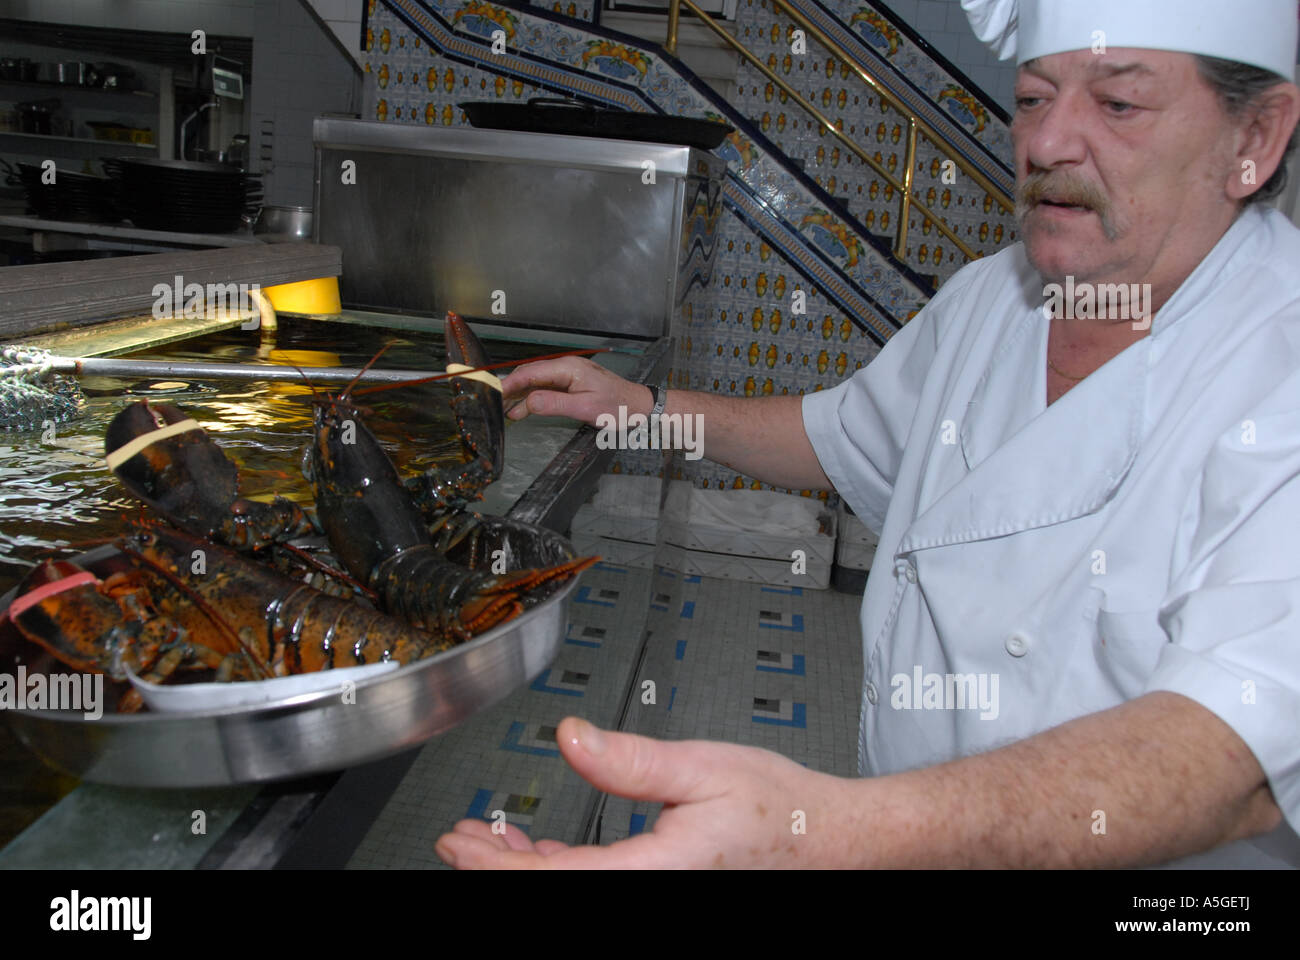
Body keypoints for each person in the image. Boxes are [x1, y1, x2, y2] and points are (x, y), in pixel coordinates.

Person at [434, 0, 1300, 868]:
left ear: (1254, 137)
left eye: (1119, 106)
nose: (1047, 144)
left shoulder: (1279, 366)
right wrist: (644, 407)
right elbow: (839, 436)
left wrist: (827, 834)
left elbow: (1233, 758)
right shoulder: (993, 298)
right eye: (1035, 99)